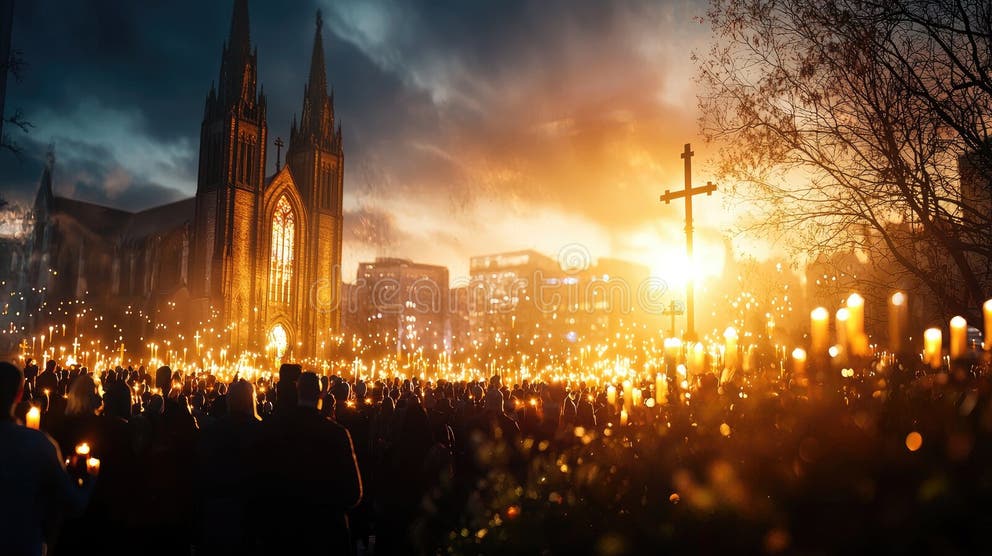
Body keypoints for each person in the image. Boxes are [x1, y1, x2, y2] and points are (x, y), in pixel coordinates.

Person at [256, 372, 362, 555]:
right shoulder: (337, 434)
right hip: (327, 533)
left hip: (288, 532)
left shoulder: (278, 430)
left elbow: (265, 481)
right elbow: (353, 492)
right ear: (321, 395)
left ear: (298, 393)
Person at [0, 361, 95, 556]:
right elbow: (73, 502)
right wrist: (88, 477)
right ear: (19, 395)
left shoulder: (36, 443)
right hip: (22, 544)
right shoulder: (38, 444)